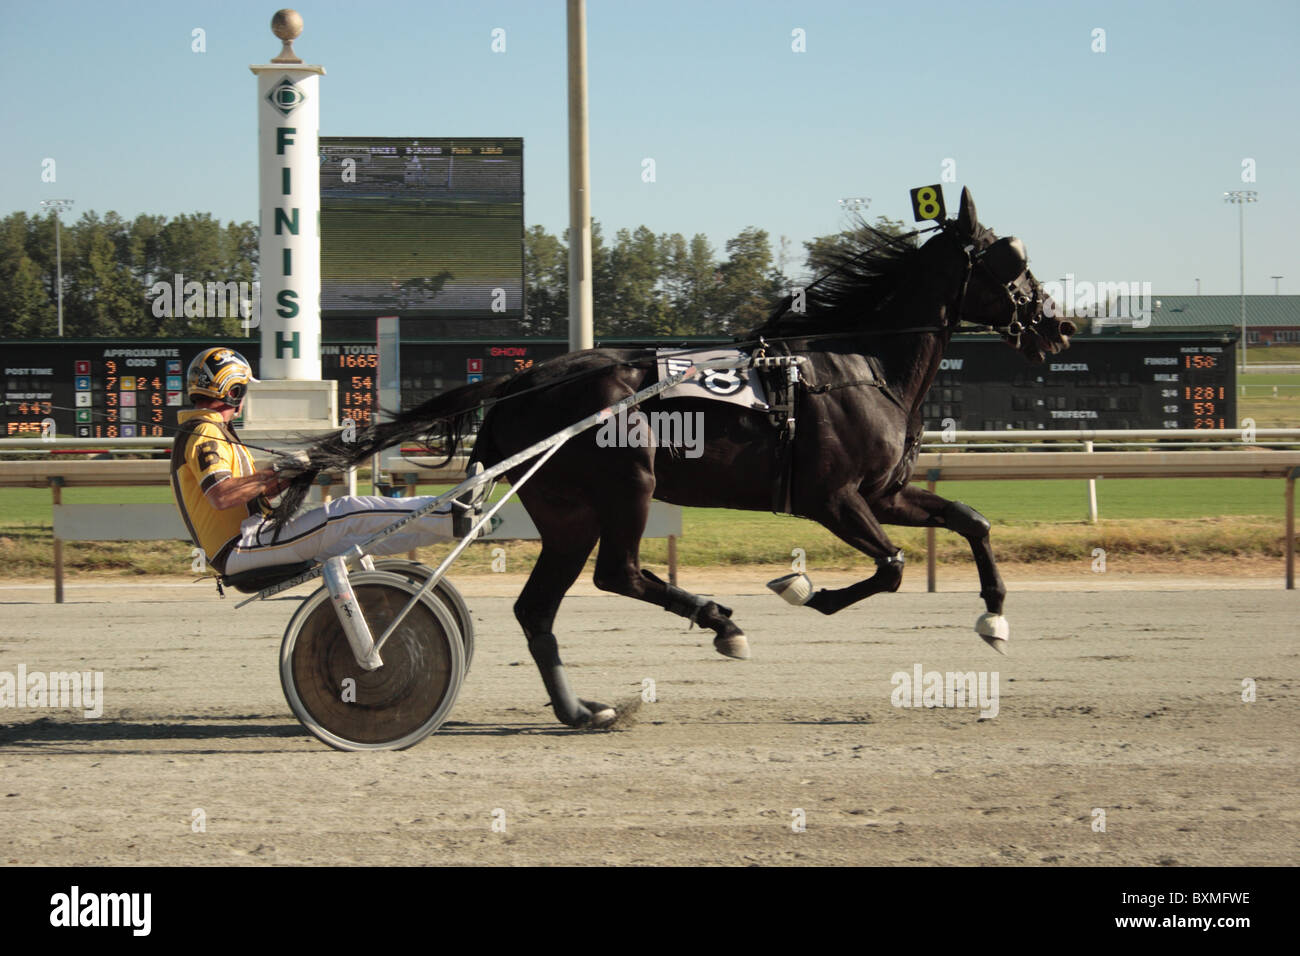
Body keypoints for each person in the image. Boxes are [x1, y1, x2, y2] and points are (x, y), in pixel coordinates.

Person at [170, 347, 468, 579]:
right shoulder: (204, 431)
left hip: (250, 541)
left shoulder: (213, 432)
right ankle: (450, 511)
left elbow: (251, 496)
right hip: (243, 547)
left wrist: (289, 475)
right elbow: (221, 496)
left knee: (360, 538)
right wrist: (275, 470)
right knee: (345, 513)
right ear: (232, 391)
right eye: (243, 389)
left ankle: (453, 525)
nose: (244, 398)